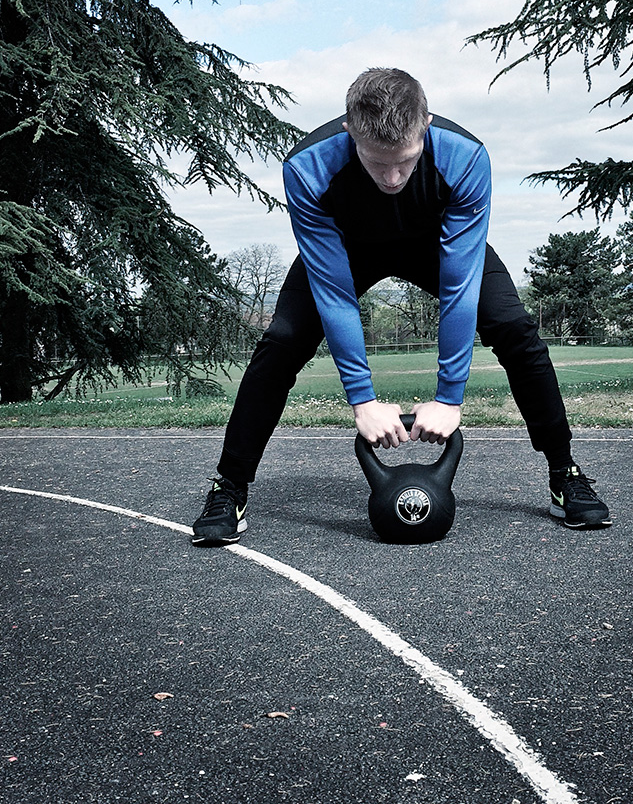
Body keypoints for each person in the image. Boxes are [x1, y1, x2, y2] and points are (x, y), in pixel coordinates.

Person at [192, 67, 611, 545]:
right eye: (376, 163)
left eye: (406, 161)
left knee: (516, 330)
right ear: (350, 131)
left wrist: (450, 396)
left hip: (434, 245)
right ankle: (230, 486)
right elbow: (334, 292)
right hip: (348, 248)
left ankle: (566, 473)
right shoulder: (307, 167)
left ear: (426, 125)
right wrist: (363, 399)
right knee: (282, 341)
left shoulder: (465, 157)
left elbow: (459, 288)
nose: (392, 178)